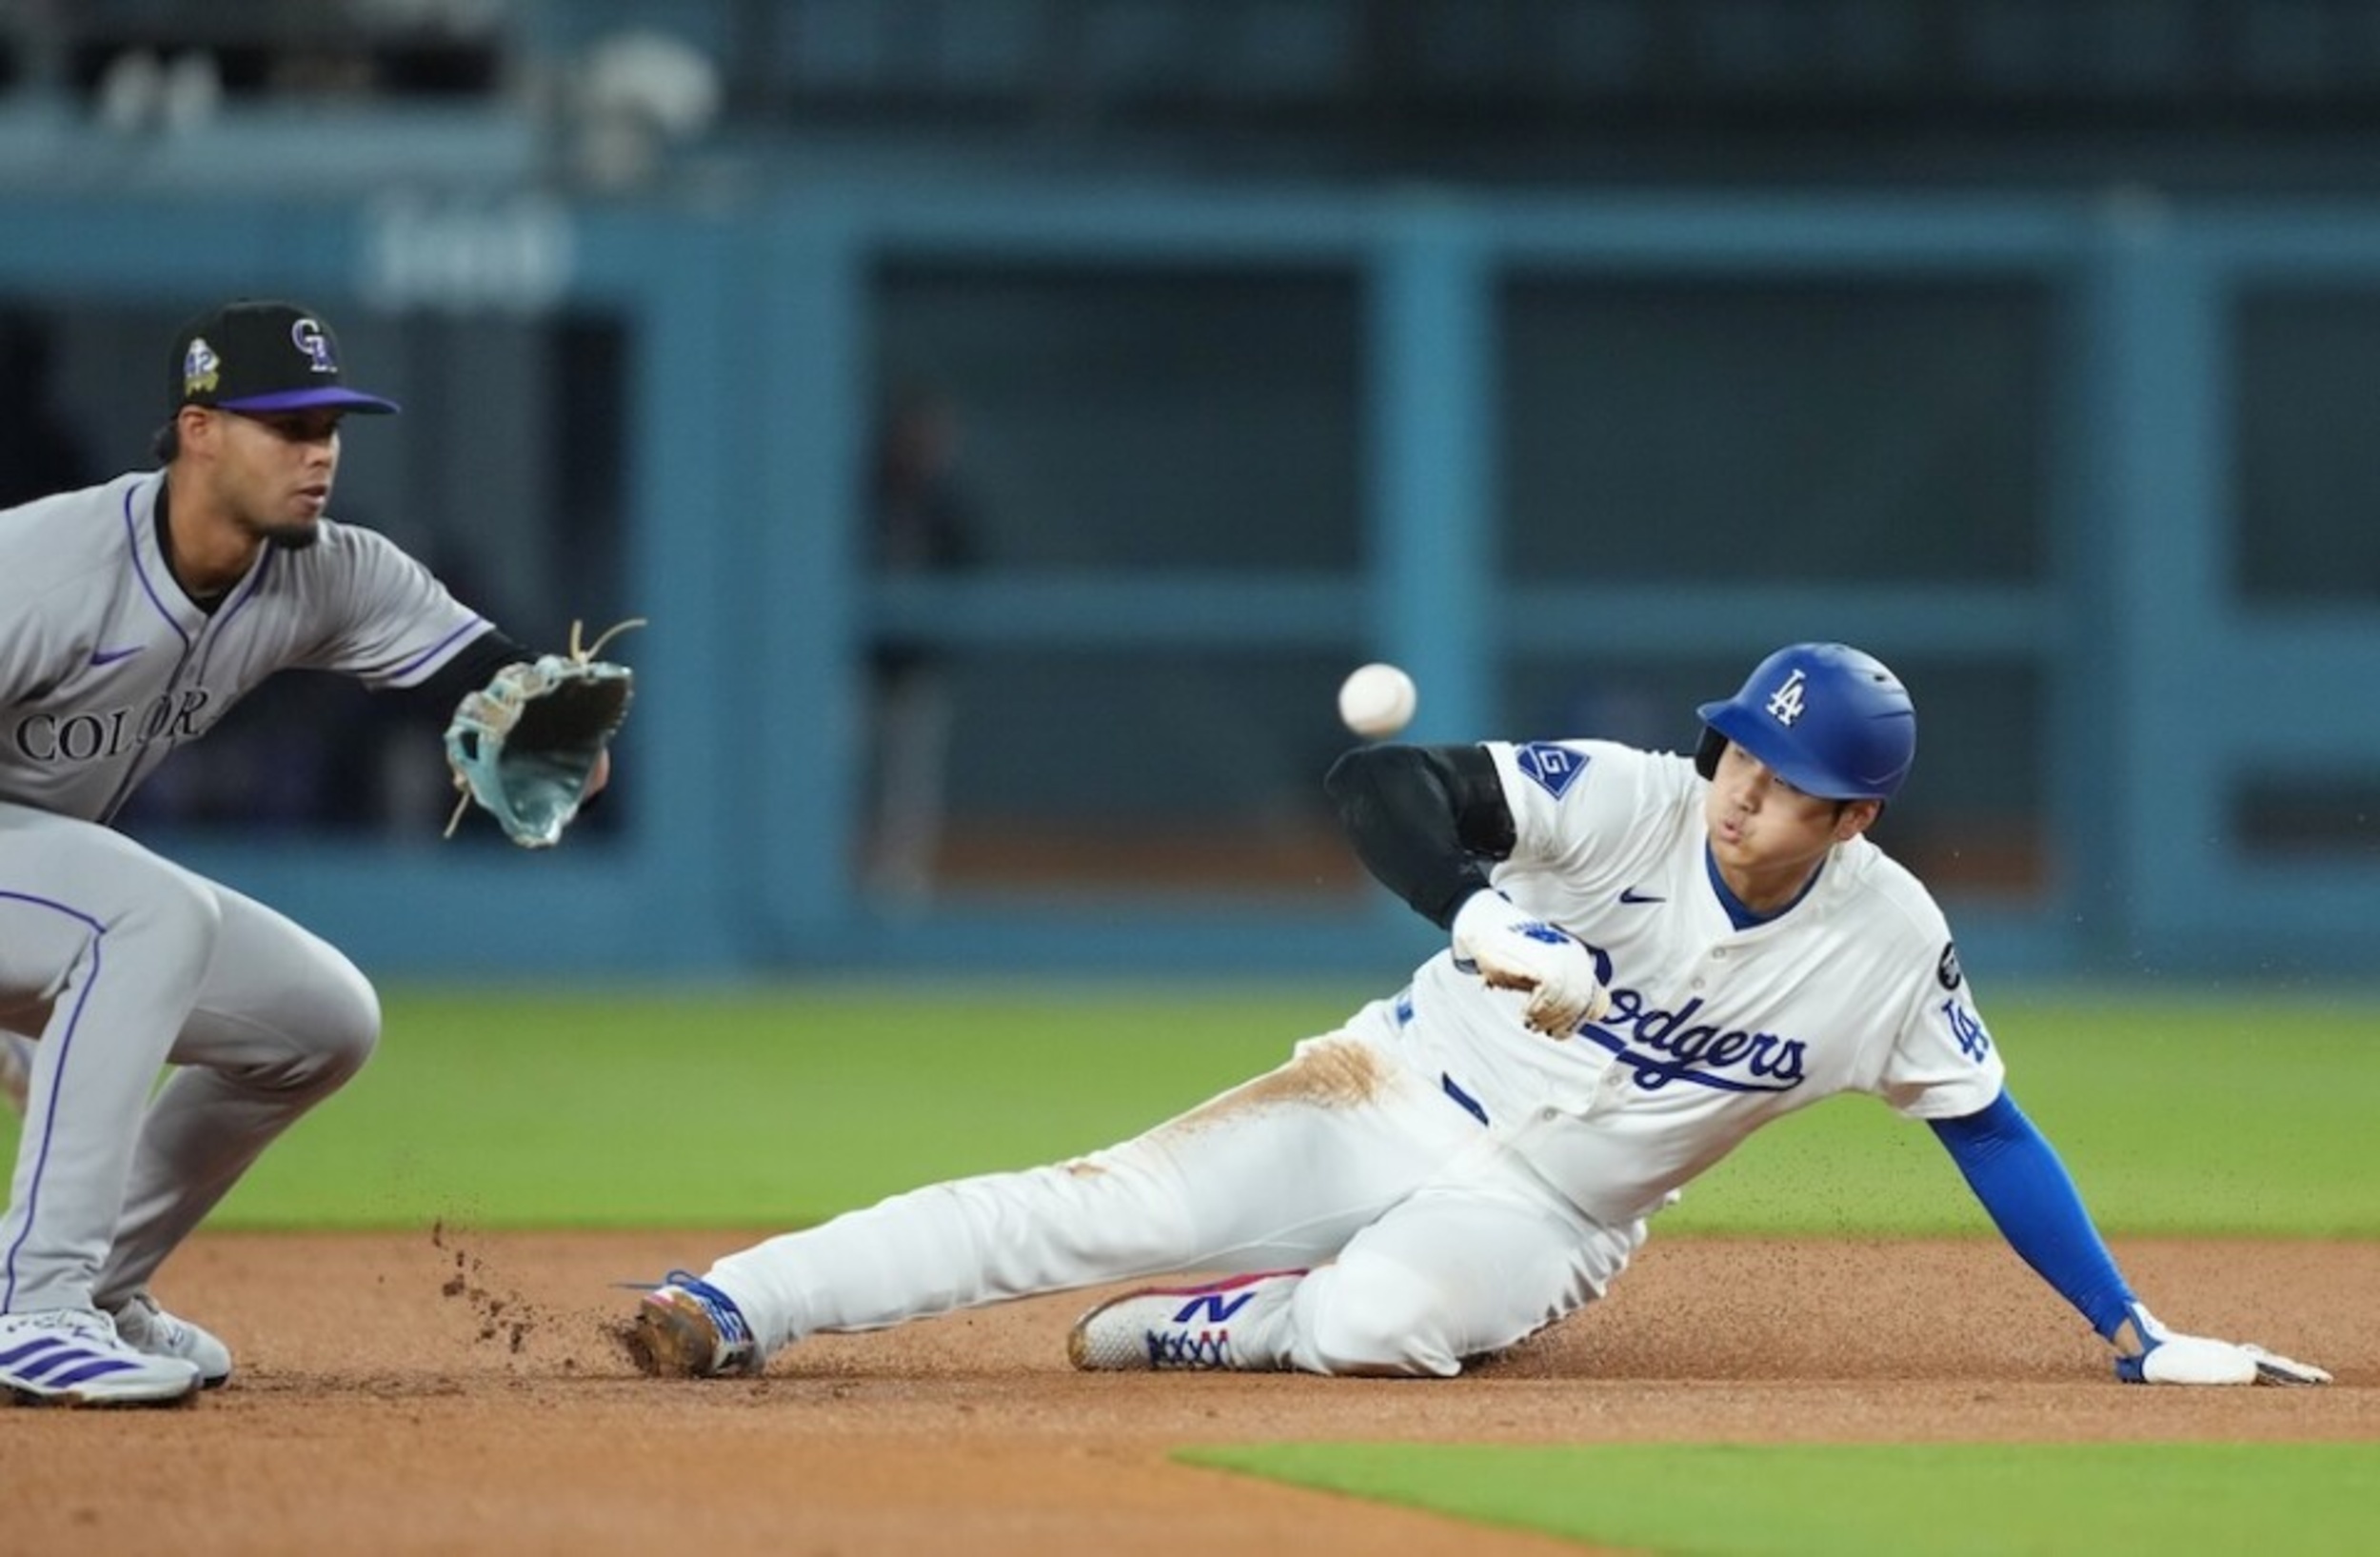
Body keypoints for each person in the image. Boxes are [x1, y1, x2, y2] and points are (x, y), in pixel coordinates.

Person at [625, 643, 2328, 1389]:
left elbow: (1993, 1131)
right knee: (1081, 1209)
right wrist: (1485, 912)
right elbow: (1382, 785)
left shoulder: (1890, 945)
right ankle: (730, 1302)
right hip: (1390, 1082)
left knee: (1372, 1332)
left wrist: (2129, 1324)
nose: (1746, 790)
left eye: (1791, 781)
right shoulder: (1636, 799)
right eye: (1744, 748)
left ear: (1852, 819)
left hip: (1560, 1210)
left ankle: (1231, 1327)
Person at [0, 298, 606, 1406]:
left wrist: (546, 722)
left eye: (329, 427)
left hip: (39, 875)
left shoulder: (323, 570)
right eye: (286, 426)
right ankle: (31, 1303)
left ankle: (94, 1290)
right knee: (148, 914)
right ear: (199, 430)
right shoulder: (44, 567)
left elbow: (481, 665)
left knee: (321, 1023)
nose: (317, 453)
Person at [860, 383, 981, 907]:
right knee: (842, 769)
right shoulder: (864, 495)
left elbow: (968, 572)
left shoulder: (948, 504)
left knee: (910, 781)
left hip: (918, 666)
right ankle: (833, 874)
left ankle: (901, 886)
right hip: (858, 663)